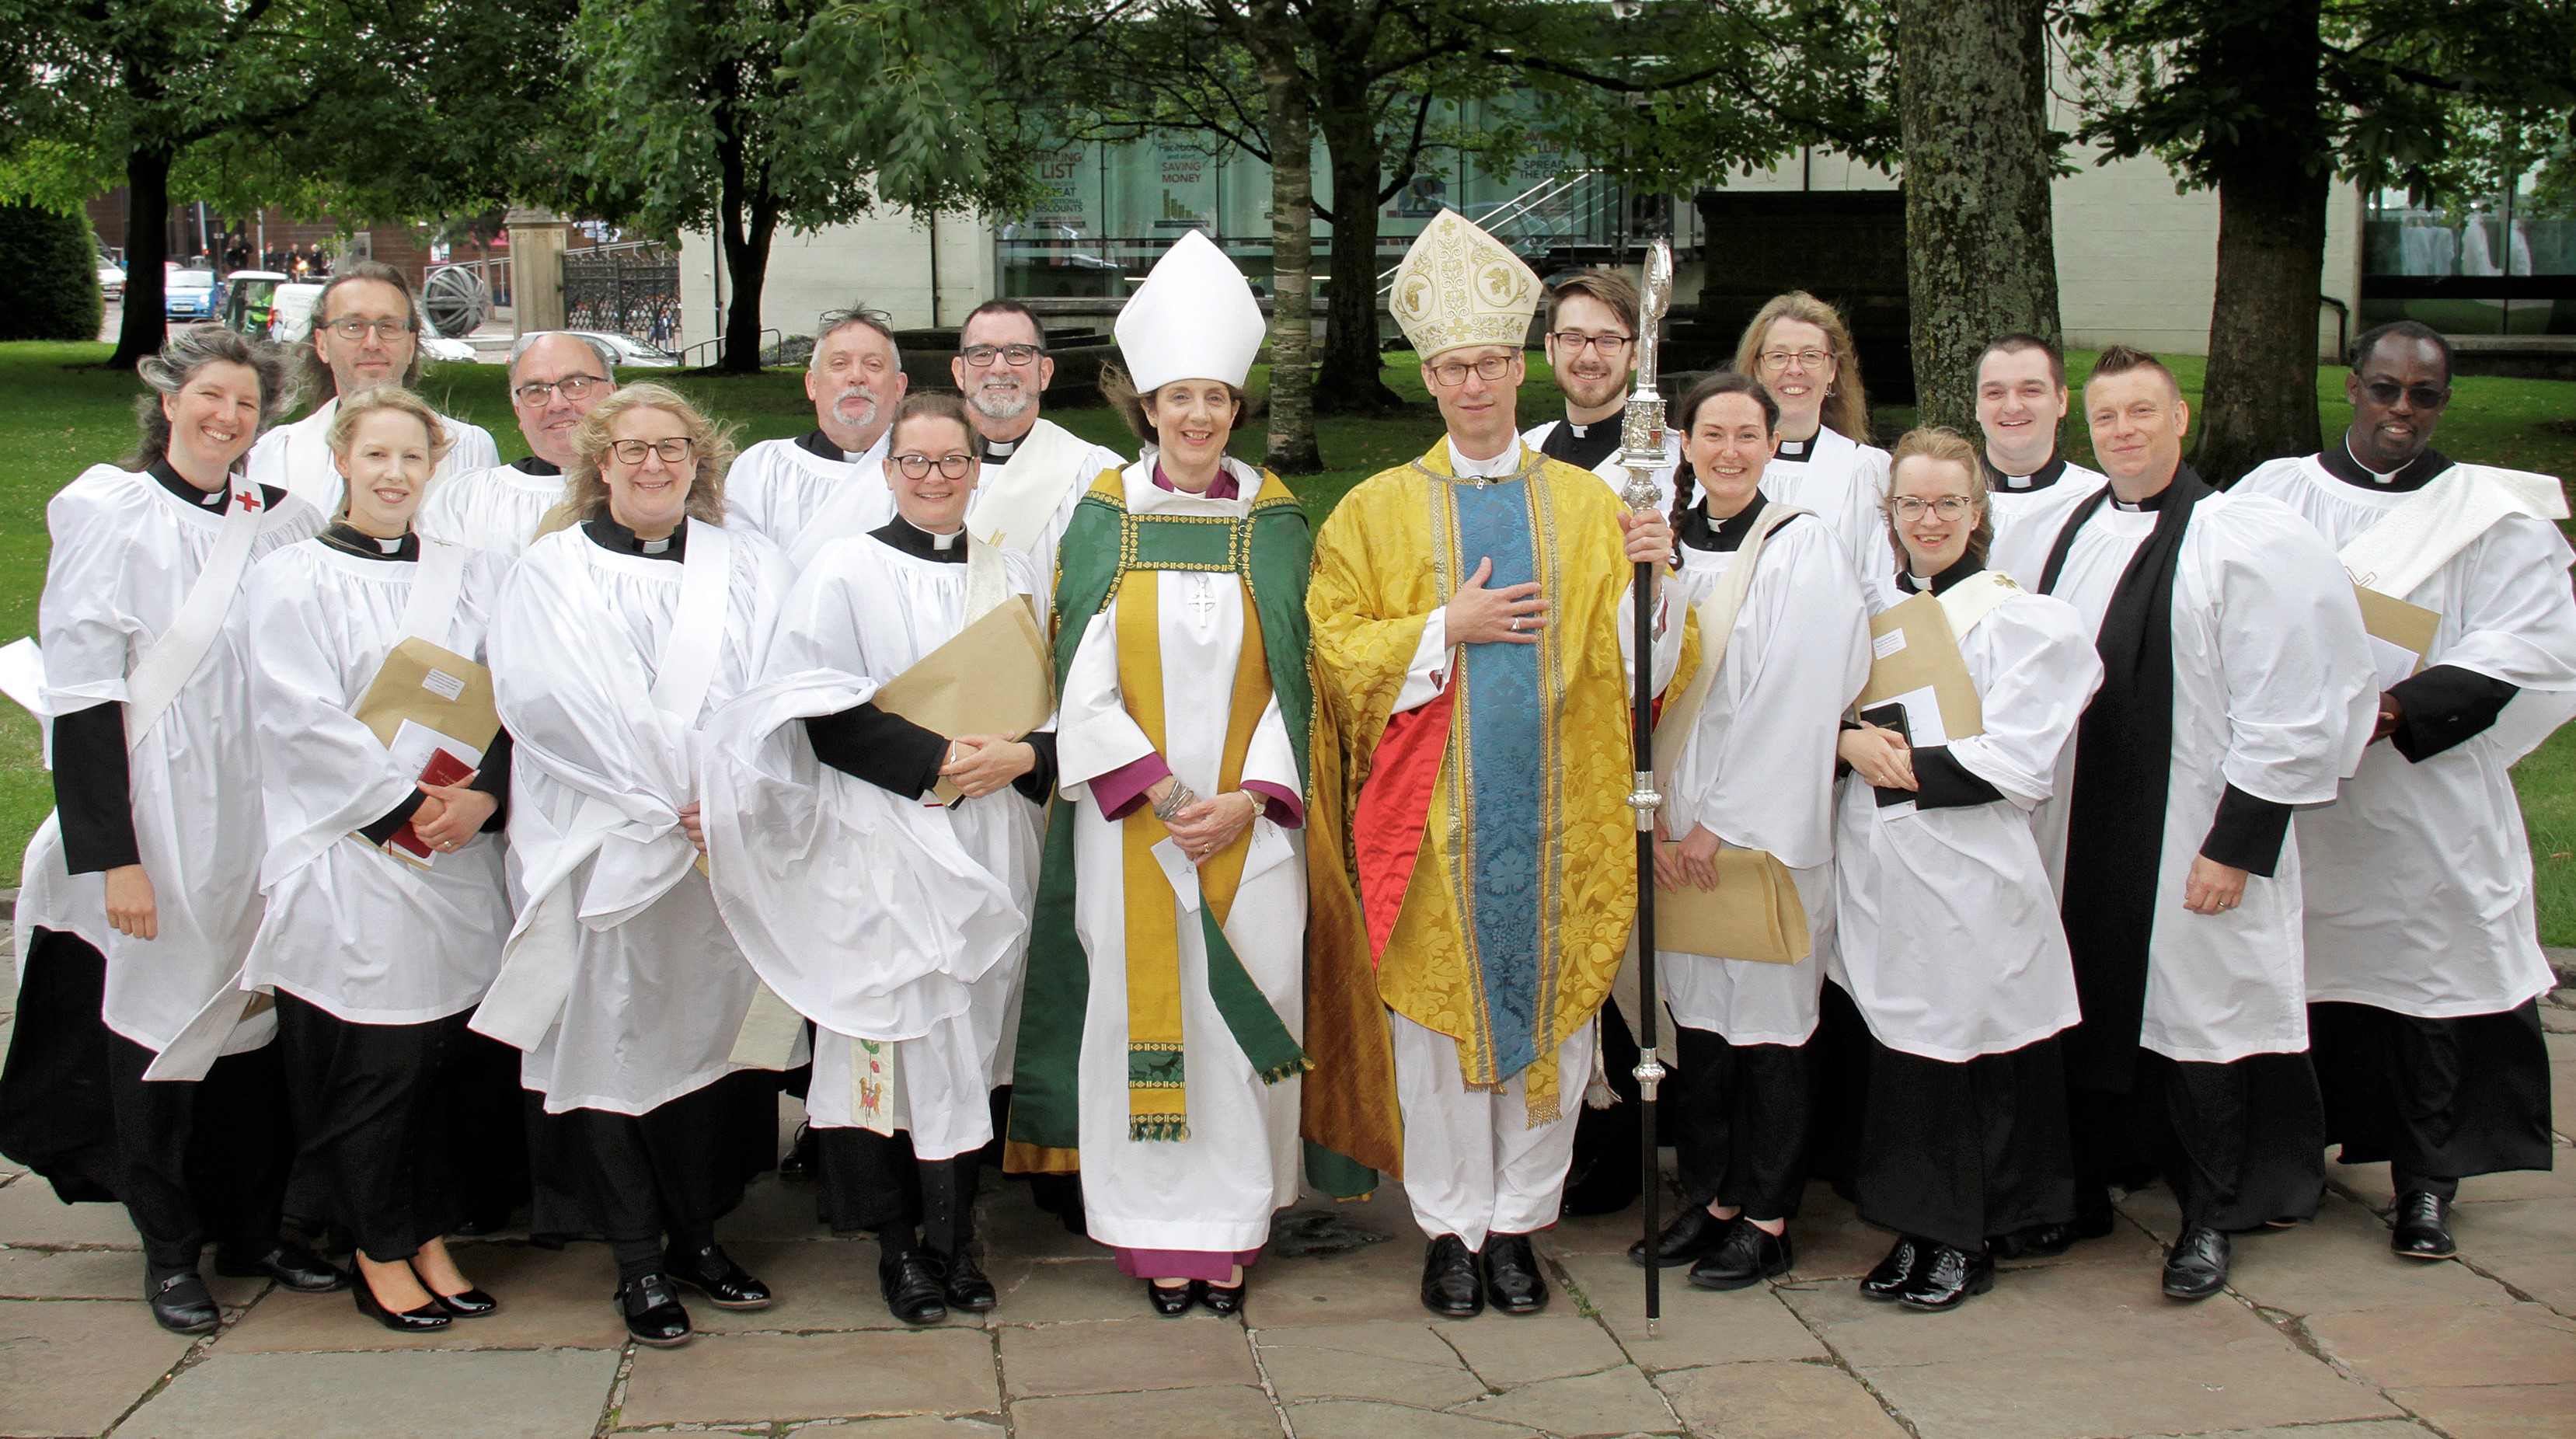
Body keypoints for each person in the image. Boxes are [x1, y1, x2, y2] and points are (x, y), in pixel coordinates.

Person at [1302, 209, 1689, 1321]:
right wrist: (1444, 628)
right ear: (1426, 378)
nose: (1472, 384)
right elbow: (1335, 651)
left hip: (1559, 814)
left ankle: (1518, 1226)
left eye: (1488, 364)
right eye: (1451, 368)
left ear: (1520, 368)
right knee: (1436, 1037)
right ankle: (1448, 1229)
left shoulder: (1588, 504)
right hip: (1432, 828)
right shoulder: (1375, 512)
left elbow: (1643, 668)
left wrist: (1657, 580)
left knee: (1551, 1029)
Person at [5, 327, 340, 1336]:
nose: (226, 417)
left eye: (245, 403)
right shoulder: (113, 512)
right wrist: (115, 859)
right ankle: (167, 1249)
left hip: (257, 812)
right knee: (154, 1032)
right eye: (209, 396)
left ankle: (251, 1229)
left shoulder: (282, 522)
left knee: (249, 1029)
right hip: (157, 811)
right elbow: (83, 694)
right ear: (168, 401)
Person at [1003, 231, 1314, 1318]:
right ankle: (1151, 1230)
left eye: (1214, 398)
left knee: (1247, 1008)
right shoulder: (1103, 516)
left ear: (1236, 407)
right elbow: (1076, 680)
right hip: (1132, 824)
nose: (1196, 416)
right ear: (1146, 405)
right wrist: (1170, 798)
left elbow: (1301, 677)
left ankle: (1231, 1226)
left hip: (1252, 829)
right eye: (1178, 397)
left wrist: (1246, 799)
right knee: (1138, 1013)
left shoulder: (1276, 521)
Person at [2035, 346, 2376, 1301]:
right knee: (2095, 1003)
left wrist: (2238, 840)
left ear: (2180, 417)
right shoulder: (2079, 530)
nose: (2124, 431)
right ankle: (2092, 1189)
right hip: (2090, 831)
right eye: (2107, 417)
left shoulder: (2242, 539)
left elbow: (2295, 697)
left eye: (2142, 412)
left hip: (2195, 826)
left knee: (2205, 1021)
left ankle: (2212, 1217)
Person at [704, 393, 1052, 1325]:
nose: (936, 478)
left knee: (967, 1041)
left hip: (987, 836)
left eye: (954, 461)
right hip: (881, 836)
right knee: (885, 1043)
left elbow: (1049, 701)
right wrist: (933, 759)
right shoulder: (843, 569)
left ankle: (956, 1239)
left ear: (977, 471)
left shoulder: (1013, 572)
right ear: (889, 471)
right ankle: (899, 1247)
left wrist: (1024, 756)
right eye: (917, 462)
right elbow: (816, 705)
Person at [2236, 321, 2574, 1260]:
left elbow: (2525, 642)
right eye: (2385, 389)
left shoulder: (2491, 518)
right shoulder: (2273, 496)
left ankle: (2428, 1182)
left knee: (2429, 980)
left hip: (2426, 795)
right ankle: (2290, 1162)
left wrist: (2392, 710)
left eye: (2423, 396)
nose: (2401, 411)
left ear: (2443, 404)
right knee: (2296, 977)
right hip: (2307, 803)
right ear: (2353, 386)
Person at [472, 383, 792, 1348]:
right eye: (633, 449)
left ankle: (697, 1235)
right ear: (599, 463)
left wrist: (728, 800)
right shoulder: (551, 571)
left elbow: (781, 691)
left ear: (700, 461)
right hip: (603, 839)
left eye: (672, 447)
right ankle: (634, 1259)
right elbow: (556, 708)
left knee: (704, 1042)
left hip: (716, 844)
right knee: (609, 1041)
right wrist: (673, 803)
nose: (654, 465)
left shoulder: (753, 566)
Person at [238, 388, 516, 1332]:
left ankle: (426, 1229)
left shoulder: (474, 575)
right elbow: (296, 716)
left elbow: (518, 693)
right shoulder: (291, 579)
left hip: (454, 850)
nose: (395, 474)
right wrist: (400, 809)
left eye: (412, 457)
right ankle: (375, 1242)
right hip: (352, 853)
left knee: (442, 1060)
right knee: (374, 1063)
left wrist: (484, 797)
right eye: (376, 456)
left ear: (436, 468)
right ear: (341, 462)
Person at [1832, 427, 2104, 1312]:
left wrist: (1887, 760)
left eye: (1947, 502)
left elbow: (2019, 759)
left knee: (1966, 1049)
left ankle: (1964, 1236)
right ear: (1890, 513)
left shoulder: (2022, 619)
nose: (1929, 519)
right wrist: (1841, 743)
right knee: (1907, 1056)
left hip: (1970, 867)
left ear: (1977, 511)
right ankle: (1917, 1224)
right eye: (1911, 503)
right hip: (1881, 867)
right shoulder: (1867, 615)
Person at [1625, 373, 1869, 1290]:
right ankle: (1713, 1198)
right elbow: (1634, 676)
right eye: (1712, 433)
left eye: (1747, 435)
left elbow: (1797, 695)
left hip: (1758, 833)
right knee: (1700, 1026)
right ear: (1684, 444)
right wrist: (1655, 816)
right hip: (1671, 823)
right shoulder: (1666, 543)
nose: (1729, 451)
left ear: (1772, 445)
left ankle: (1767, 1215)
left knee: (1769, 1029)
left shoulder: (1803, 547)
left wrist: (1718, 826)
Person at [244, 262, 499, 516]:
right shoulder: (278, 455)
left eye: (389, 326)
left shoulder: (466, 452)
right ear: (322, 344)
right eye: (353, 326)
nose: (372, 343)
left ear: (411, 345)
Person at [953, 298, 1128, 582]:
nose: (1000, 368)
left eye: (1017, 353)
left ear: (1044, 373)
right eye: (982, 353)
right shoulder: (919, 474)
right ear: (960, 373)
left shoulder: (1098, 474)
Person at [1731, 292, 1888, 588]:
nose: (1795, 369)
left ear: (1832, 370)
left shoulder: (1867, 471)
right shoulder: (1725, 465)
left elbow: (1881, 585)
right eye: (1778, 356)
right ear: (1758, 370)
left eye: (1811, 356)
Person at [727, 308, 907, 563]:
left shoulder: (925, 472)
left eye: (873, 365)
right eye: (839, 364)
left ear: (899, 386)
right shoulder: (765, 469)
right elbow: (739, 567)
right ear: (812, 384)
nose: (856, 377)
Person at [419, 332, 619, 556]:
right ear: (518, 412)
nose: (557, 404)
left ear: (612, 394)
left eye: (576, 384)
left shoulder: (644, 488)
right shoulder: (468, 500)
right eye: (536, 391)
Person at [1522, 269, 1677, 511]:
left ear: (1636, 354)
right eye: (1573, 338)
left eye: (1608, 341)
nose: (1589, 357)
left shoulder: (1674, 466)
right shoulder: (1526, 452)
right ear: (1551, 348)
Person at [1974, 335, 2110, 591]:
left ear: (2062, 400)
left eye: (2031, 391)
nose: (2012, 407)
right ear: (1977, 407)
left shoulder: (2100, 501)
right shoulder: (1940, 501)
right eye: (1995, 393)